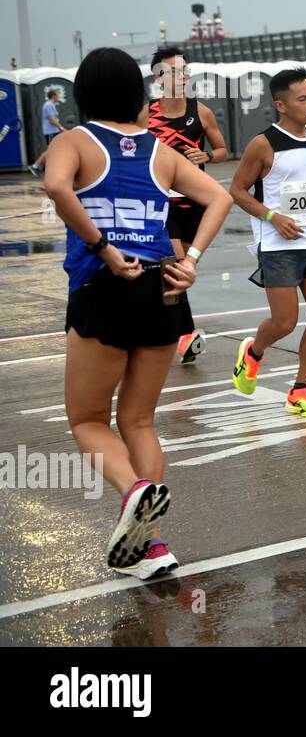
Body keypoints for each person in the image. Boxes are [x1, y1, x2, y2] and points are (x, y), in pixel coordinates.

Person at [44, 46, 232, 579]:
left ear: (83, 92)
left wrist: (103, 247)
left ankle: (135, 492)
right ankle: (150, 548)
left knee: (85, 419)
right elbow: (218, 198)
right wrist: (190, 260)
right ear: (136, 91)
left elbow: (56, 185)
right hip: (159, 291)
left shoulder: (74, 141)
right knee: (139, 420)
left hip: (103, 288)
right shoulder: (160, 150)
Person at [229, 67, 306, 418]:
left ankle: (299, 390)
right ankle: (253, 351)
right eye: (303, 99)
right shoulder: (263, 145)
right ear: (281, 105)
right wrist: (272, 217)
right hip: (278, 244)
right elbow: (237, 191)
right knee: (284, 321)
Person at [146, 47, 231, 363]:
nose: (182, 76)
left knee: (179, 269)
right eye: (174, 72)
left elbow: (223, 150)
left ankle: (173, 327)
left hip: (196, 203)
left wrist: (207, 156)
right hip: (161, 204)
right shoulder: (146, 115)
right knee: (174, 265)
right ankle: (184, 335)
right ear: (159, 77)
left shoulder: (201, 112)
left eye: (184, 71)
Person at [29, 86, 65, 174]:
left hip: (53, 131)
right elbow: (52, 119)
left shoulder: (50, 105)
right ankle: (35, 166)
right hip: (51, 132)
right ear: (53, 96)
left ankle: (48, 168)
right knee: (51, 150)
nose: (59, 97)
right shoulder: (48, 105)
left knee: (55, 150)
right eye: (58, 96)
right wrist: (62, 128)